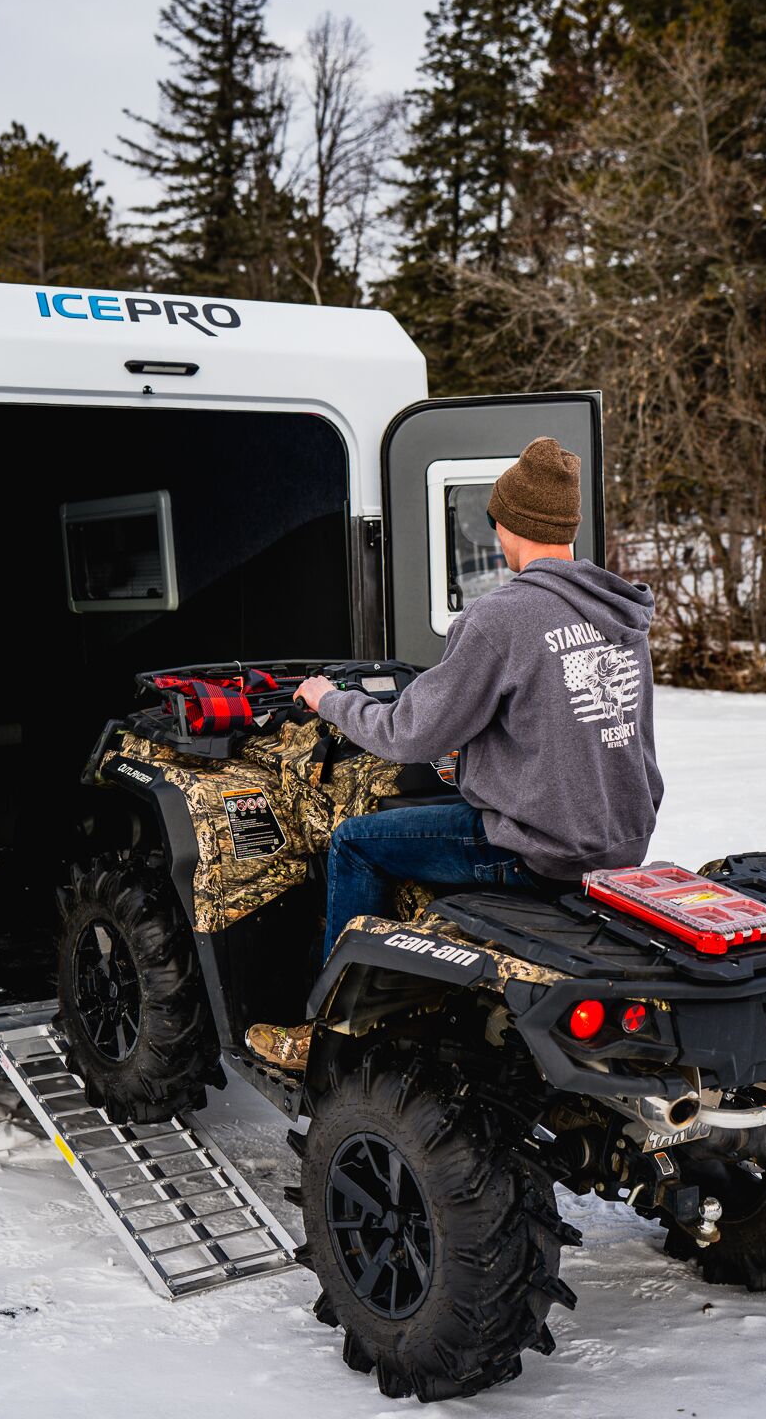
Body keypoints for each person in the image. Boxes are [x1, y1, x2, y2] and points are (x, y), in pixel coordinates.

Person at [245, 436, 664, 1071]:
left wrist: (328, 699)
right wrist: (475, 764)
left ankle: (325, 1034)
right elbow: (600, 735)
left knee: (356, 842)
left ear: (507, 525)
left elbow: (406, 735)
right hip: (620, 844)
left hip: (535, 853)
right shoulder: (617, 615)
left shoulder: (503, 617)